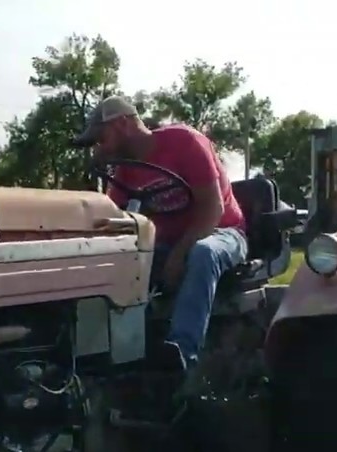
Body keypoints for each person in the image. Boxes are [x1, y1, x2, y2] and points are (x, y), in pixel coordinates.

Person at [74, 96, 247, 374]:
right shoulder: (125, 168)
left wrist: (179, 254)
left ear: (122, 124)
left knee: (203, 253)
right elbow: (116, 218)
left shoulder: (184, 141)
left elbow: (212, 209)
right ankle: (105, 353)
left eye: (100, 138)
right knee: (116, 259)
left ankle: (182, 353)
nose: (98, 146)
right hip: (165, 243)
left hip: (221, 231)